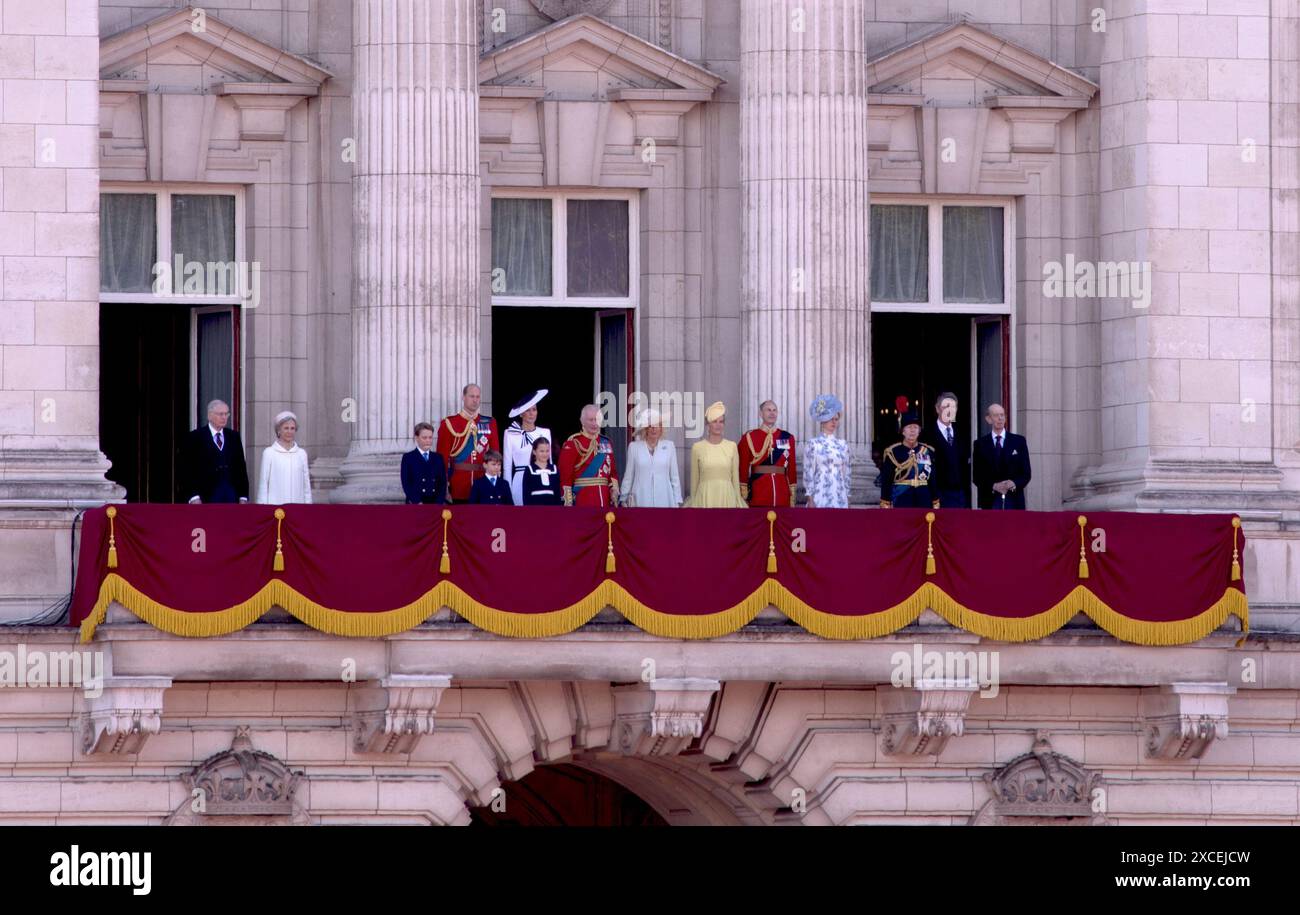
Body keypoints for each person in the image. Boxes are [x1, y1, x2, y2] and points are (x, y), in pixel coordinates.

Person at [437, 383, 499, 503]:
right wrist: (443, 486)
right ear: (463, 397)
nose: (475, 400)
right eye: (471, 396)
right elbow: (442, 458)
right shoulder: (449, 423)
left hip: (483, 482)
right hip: (458, 484)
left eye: (477, 397)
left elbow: (495, 455)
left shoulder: (490, 423)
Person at [183, 399, 249, 504]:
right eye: (220, 414)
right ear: (210, 416)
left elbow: (240, 467)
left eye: (226, 414)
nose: (224, 417)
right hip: (206, 495)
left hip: (231, 495)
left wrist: (243, 496)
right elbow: (188, 469)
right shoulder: (196, 437)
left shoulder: (234, 437)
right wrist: (194, 496)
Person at [686, 402, 747, 508]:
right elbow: (694, 480)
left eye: (721, 422)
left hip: (727, 496)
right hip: (705, 496)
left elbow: (735, 478)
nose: (718, 425)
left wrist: (738, 500)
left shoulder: (732, 446)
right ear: (708, 424)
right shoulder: (697, 447)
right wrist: (694, 501)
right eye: (714, 421)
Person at [972, 403, 1031, 510]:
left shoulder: (1019, 441)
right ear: (988, 419)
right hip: (990, 501)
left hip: (1014, 500)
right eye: (996, 415)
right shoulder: (980, 444)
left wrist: (1013, 483)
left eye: (1002, 415)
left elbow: (1026, 473)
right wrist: (994, 486)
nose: (1000, 418)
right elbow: (977, 476)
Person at [738, 400, 797, 507]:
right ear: (761, 414)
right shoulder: (749, 437)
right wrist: (743, 492)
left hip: (781, 491)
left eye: (774, 410)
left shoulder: (787, 437)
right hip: (759, 490)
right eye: (768, 410)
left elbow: (791, 467)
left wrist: (792, 492)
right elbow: (743, 467)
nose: (772, 413)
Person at [559, 404, 620, 507]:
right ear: (582, 421)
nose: (594, 423)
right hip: (583, 501)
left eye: (596, 420)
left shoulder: (606, 443)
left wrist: (614, 491)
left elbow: (612, 473)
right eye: (590, 420)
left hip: (605, 501)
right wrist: (568, 502)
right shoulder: (573, 444)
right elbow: (565, 477)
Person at [620, 408, 682, 508]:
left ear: (661, 428)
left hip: (665, 500)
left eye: (657, 425)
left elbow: (674, 477)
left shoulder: (669, 446)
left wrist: (677, 501)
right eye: (650, 426)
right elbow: (629, 476)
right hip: (640, 499)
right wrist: (623, 498)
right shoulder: (634, 447)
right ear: (645, 429)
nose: (654, 428)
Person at [880, 410, 939, 509]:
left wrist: (935, 500)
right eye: (909, 427)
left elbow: (932, 478)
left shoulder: (927, 451)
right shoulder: (893, 452)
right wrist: (886, 502)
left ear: (919, 431)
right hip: (902, 499)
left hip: (924, 499)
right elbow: (887, 480)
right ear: (903, 431)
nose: (912, 430)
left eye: (915, 427)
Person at [502, 389, 551, 507]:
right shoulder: (510, 433)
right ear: (521, 413)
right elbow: (507, 466)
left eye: (534, 409)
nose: (531, 413)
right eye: (527, 410)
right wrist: (506, 491)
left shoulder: (545, 432)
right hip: (520, 480)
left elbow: (549, 461)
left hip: (540, 478)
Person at [923, 391, 969, 508]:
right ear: (937, 409)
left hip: (959, 496)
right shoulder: (926, 435)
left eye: (953, 407)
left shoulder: (962, 434)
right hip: (935, 495)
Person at [805, 394, 851, 508]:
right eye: (830, 419)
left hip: (840, 496)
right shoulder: (813, 444)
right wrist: (810, 498)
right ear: (822, 421)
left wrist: (848, 497)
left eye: (836, 419)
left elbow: (847, 472)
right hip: (819, 495)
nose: (833, 422)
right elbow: (808, 472)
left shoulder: (843, 444)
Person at [256, 411, 312, 504]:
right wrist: (262, 508)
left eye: (292, 428)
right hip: (275, 508)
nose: (289, 432)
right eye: (286, 428)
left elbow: (306, 484)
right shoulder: (269, 453)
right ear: (278, 430)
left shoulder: (301, 454)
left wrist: (308, 506)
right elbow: (263, 483)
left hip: (298, 506)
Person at [400, 421, 448, 505]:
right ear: (417, 438)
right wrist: (417, 501)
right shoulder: (408, 458)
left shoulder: (438, 458)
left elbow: (442, 483)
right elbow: (406, 483)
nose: (428, 441)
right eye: (424, 438)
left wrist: (439, 502)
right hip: (416, 503)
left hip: (435, 504)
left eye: (430, 437)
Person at [521, 438, 562, 506]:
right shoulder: (529, 469)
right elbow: (526, 494)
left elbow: (557, 493)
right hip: (534, 507)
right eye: (542, 451)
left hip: (552, 508)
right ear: (534, 452)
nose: (545, 454)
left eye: (547, 451)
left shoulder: (554, 469)